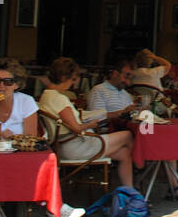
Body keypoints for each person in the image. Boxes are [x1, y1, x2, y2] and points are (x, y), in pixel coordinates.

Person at [40, 57, 135, 188]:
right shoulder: (59, 99)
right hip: (76, 147)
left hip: (63, 146)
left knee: (124, 154)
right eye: (73, 78)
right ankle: (141, 167)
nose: (74, 83)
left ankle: (130, 192)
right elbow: (77, 129)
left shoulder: (46, 95)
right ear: (64, 77)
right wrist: (91, 124)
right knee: (128, 135)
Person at [87, 60, 140, 131]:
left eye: (130, 79)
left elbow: (131, 115)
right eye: (126, 76)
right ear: (115, 74)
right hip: (107, 132)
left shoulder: (125, 94)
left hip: (126, 130)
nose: (128, 82)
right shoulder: (99, 90)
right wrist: (122, 113)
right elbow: (95, 120)